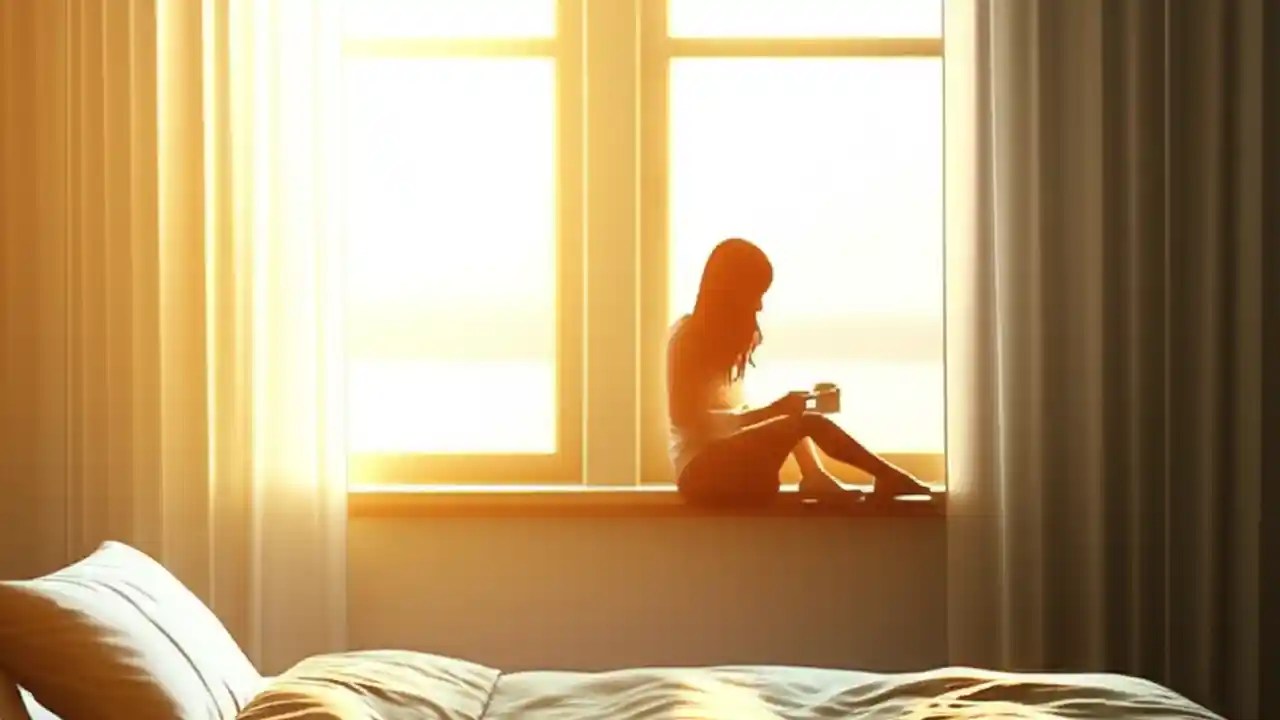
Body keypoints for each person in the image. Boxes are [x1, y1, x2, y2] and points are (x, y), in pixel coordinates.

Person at [667, 237, 936, 508]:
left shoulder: (729, 343)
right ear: (732, 291)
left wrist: (786, 408)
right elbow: (687, 420)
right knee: (801, 421)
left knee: (797, 417)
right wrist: (771, 413)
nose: (759, 306)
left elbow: (739, 417)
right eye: (755, 294)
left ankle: (815, 474)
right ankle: (886, 476)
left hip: (728, 468)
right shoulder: (687, 339)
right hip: (700, 474)